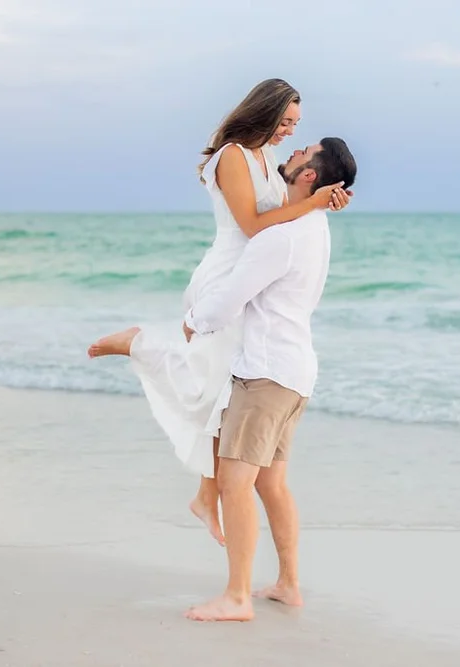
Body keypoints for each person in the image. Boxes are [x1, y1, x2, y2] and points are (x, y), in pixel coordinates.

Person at [87, 79, 351, 546]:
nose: (290, 132)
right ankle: (139, 343)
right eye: (287, 121)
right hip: (226, 276)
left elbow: (288, 208)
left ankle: (205, 496)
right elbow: (252, 224)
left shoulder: (267, 156)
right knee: (208, 388)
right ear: (266, 111)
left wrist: (322, 202)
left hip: (252, 275)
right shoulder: (233, 155)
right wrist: (310, 203)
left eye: (296, 125)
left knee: (222, 396)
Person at [181, 137, 358, 622]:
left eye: (304, 151)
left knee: (235, 483)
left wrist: (194, 321)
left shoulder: (281, 236)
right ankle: (288, 584)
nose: (294, 150)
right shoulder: (315, 227)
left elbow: (230, 298)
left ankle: (237, 597)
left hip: (265, 374)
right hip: (296, 372)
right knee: (272, 484)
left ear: (308, 176)